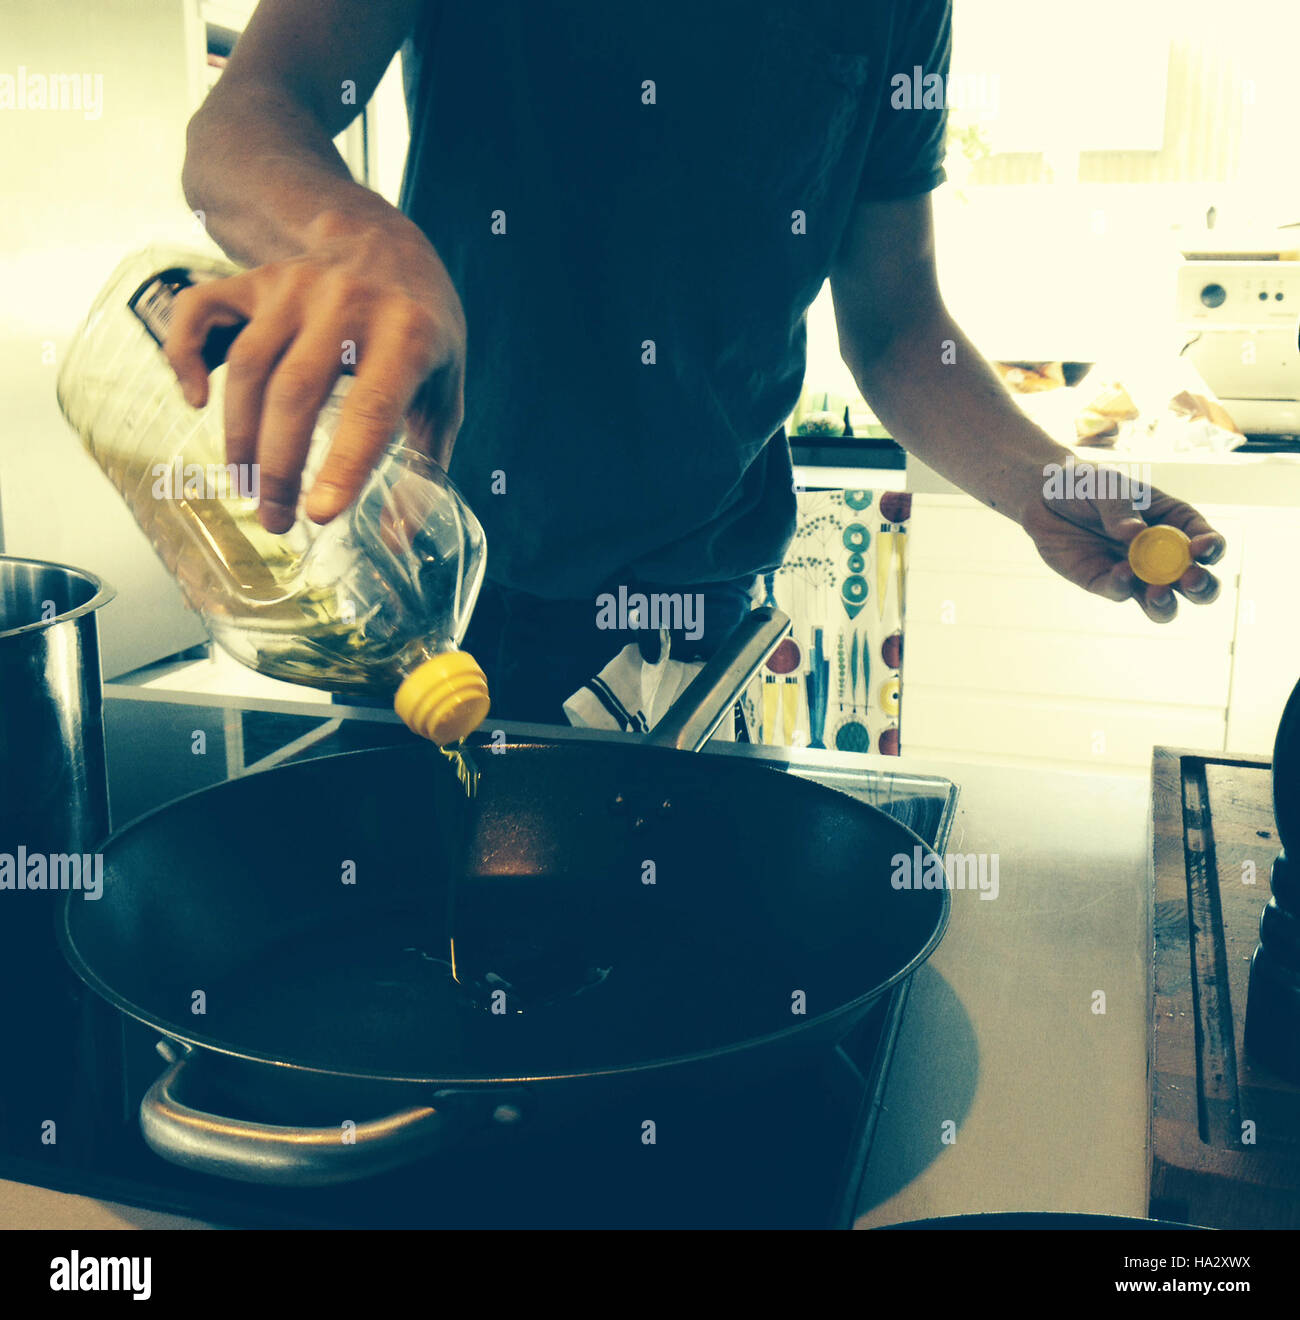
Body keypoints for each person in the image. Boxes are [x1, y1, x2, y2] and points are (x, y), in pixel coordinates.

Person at [166, 0, 1224, 727]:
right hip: (444, 582)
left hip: (706, 605)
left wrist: (1047, 481)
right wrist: (354, 241)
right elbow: (249, 116)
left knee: (681, 974)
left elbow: (898, 327)